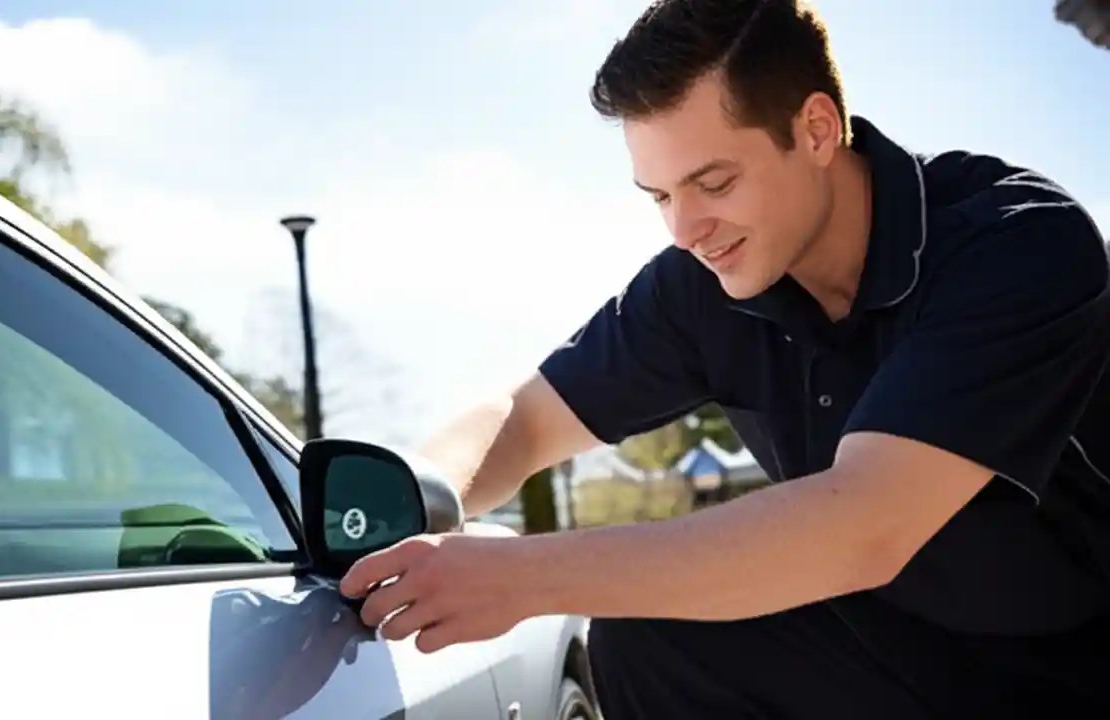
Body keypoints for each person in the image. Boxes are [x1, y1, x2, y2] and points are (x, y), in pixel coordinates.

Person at [340, 0, 1110, 716]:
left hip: (1074, 661)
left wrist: (521, 576)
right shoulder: (703, 284)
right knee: (644, 635)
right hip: (895, 654)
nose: (685, 229)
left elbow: (865, 524)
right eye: (660, 196)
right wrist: (401, 496)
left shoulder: (1016, 242)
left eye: (713, 182)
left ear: (815, 129)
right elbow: (526, 418)